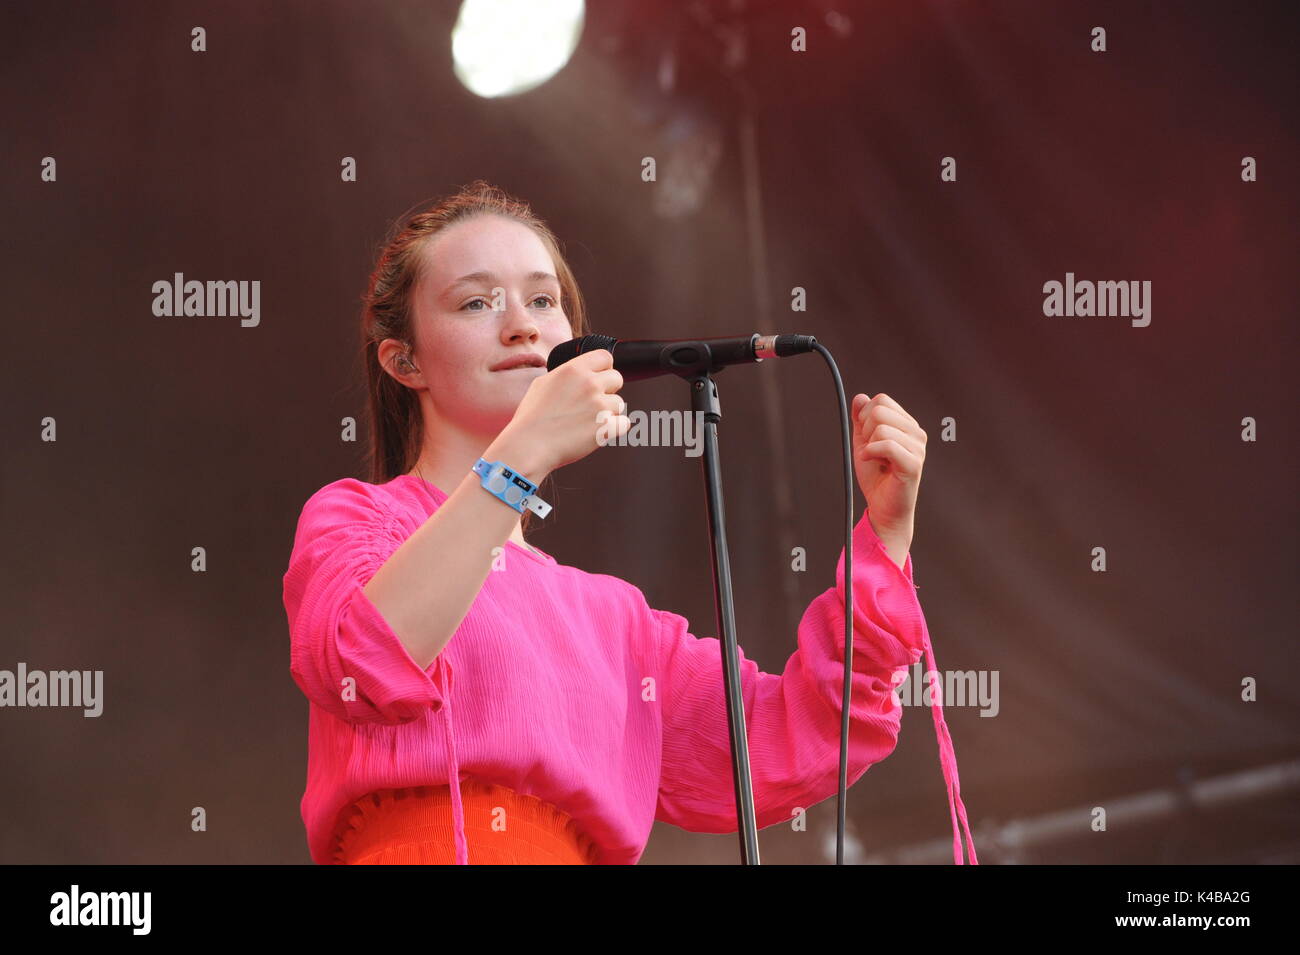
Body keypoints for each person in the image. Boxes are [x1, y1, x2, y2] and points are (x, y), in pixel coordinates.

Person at [282, 179, 977, 865]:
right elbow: (360, 658)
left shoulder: (617, 622)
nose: (522, 323)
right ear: (405, 361)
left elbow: (792, 735)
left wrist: (886, 534)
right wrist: (522, 451)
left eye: (543, 299)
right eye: (475, 301)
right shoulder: (359, 520)